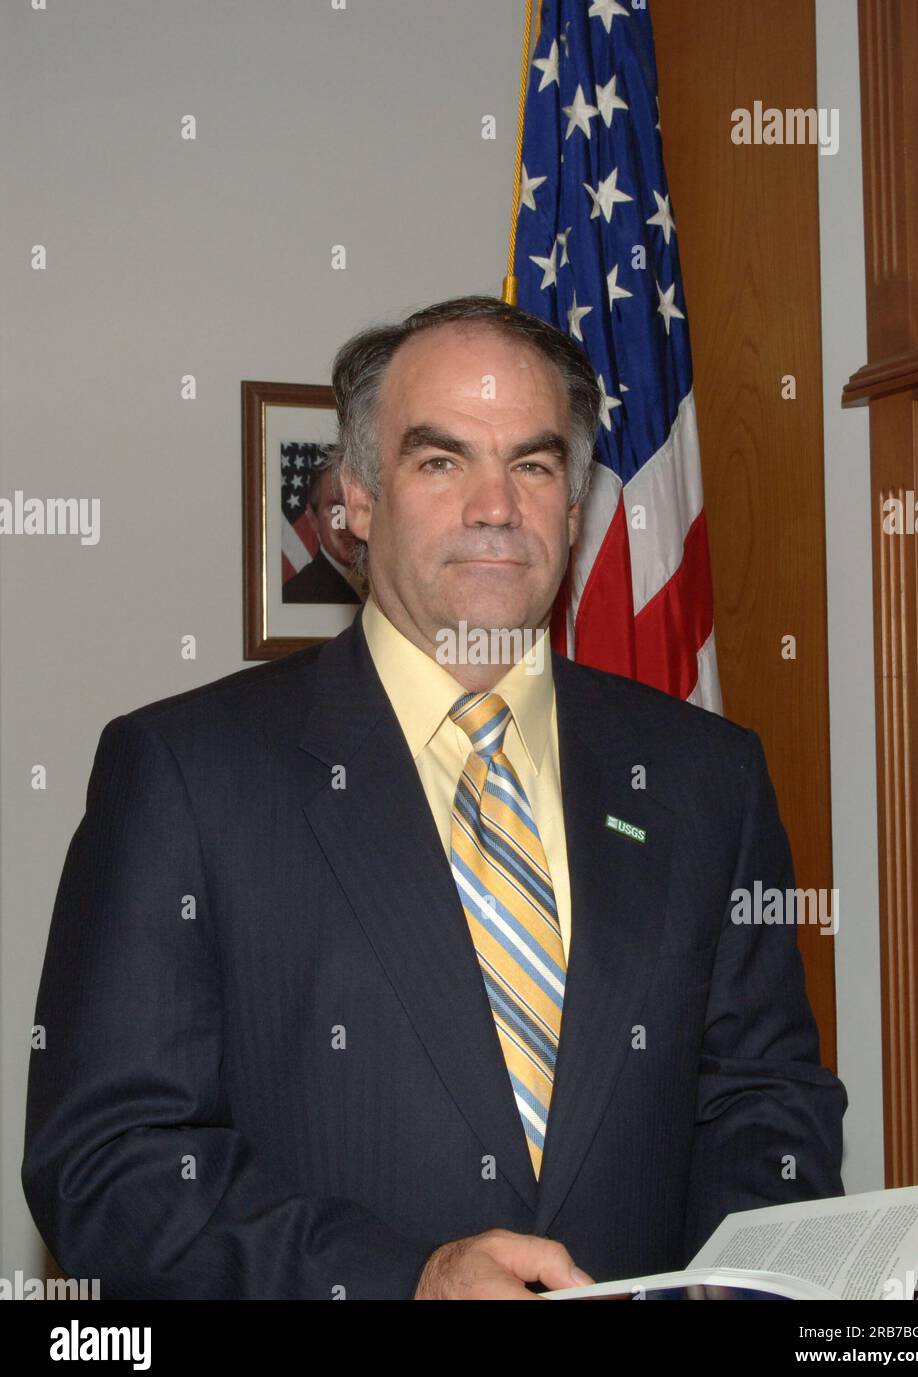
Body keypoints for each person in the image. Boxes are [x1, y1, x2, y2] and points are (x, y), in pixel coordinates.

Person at [22, 295, 847, 1300]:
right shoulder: (186, 773)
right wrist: (402, 1281)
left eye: (533, 464)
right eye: (441, 460)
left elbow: (764, 1100)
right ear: (358, 500)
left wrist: (739, 1277)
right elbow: (107, 1165)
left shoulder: (703, 775)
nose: (495, 506)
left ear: (574, 504)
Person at [282, 447, 363, 605]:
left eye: (359, 506)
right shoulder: (297, 594)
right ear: (313, 518)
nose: (347, 520)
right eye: (335, 507)